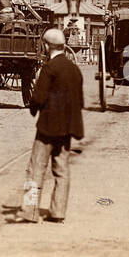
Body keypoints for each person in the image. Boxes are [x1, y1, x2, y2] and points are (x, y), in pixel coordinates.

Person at [19, 28, 84, 223]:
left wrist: (33, 108)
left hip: (47, 127)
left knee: (35, 169)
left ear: (47, 46)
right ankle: (58, 213)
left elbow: (38, 96)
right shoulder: (74, 69)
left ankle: (30, 211)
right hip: (66, 129)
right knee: (62, 170)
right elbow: (79, 101)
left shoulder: (49, 68)